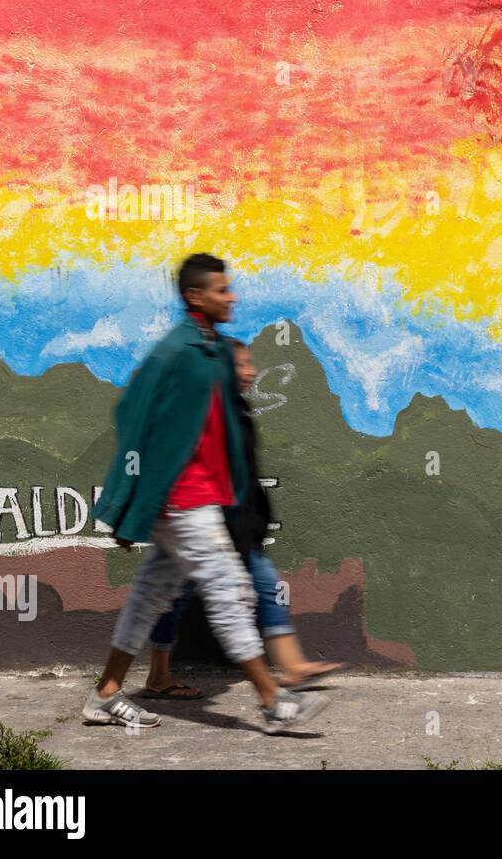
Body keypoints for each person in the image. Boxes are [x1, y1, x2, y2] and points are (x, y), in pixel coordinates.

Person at [82, 253, 329, 734]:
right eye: (221, 289)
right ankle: (274, 701)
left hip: (203, 498)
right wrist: (127, 503)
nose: (230, 296)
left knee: (150, 596)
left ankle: (106, 694)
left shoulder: (211, 350)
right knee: (230, 593)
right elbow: (132, 412)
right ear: (196, 295)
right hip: (183, 500)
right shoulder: (176, 351)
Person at [142, 338, 343, 700]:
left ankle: (292, 666)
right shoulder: (205, 415)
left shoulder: (237, 412)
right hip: (206, 526)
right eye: (242, 365)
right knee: (174, 597)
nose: (251, 372)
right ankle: (157, 674)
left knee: (266, 588)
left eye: (251, 364)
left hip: (240, 526)